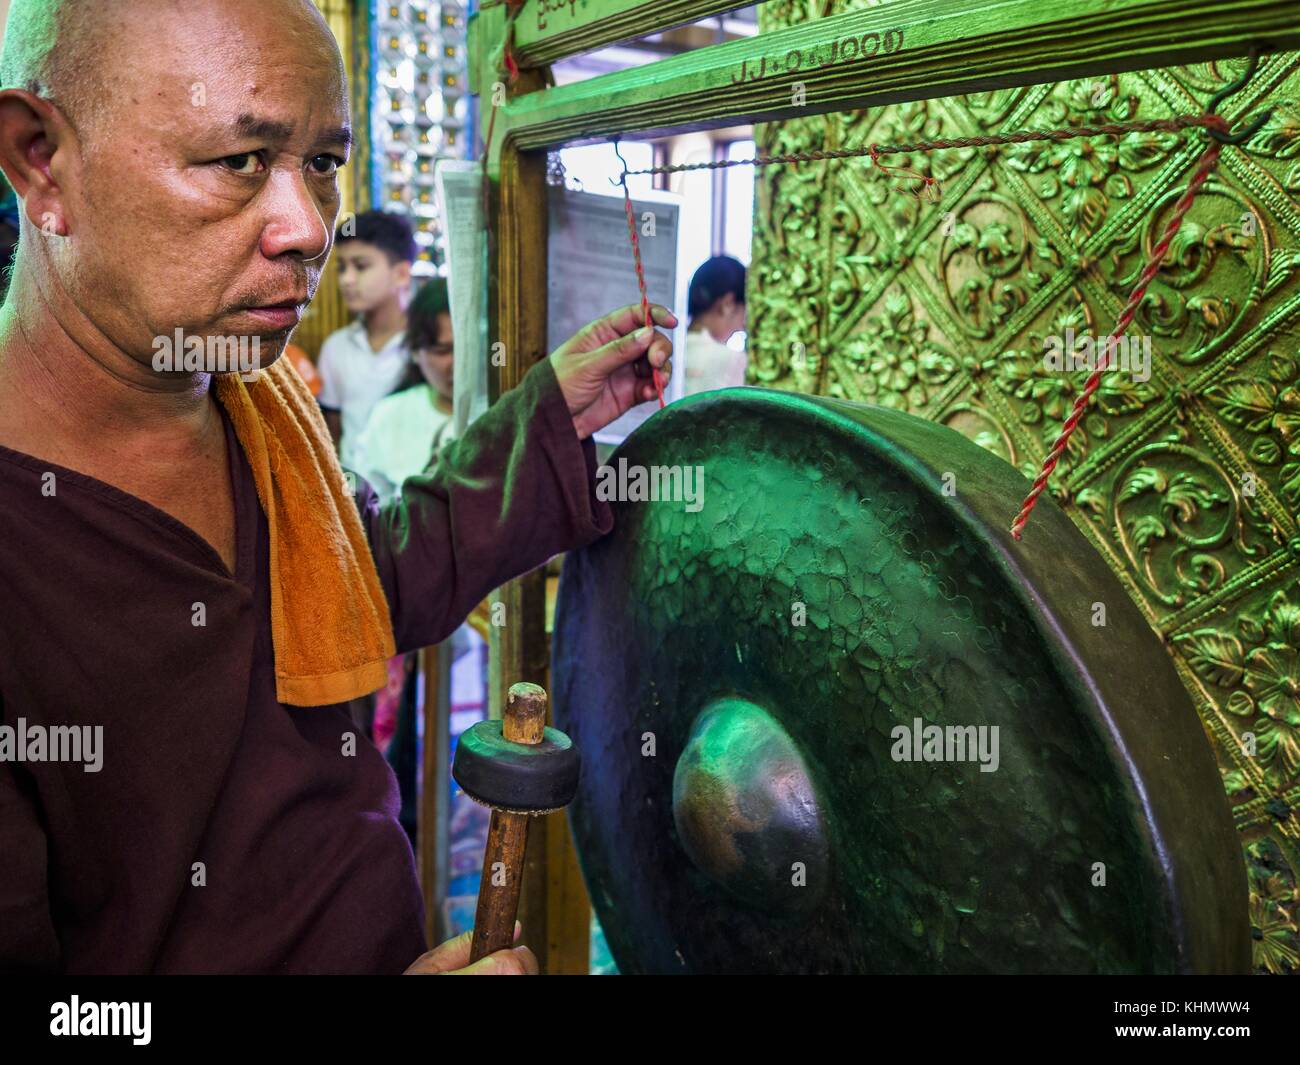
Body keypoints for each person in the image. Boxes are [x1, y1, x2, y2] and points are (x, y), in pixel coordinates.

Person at [0, 0, 674, 975]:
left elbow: (357, 582)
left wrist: (548, 420)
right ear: (39, 159)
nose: (309, 228)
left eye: (321, 163)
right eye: (240, 162)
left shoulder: (250, 394)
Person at [317, 209, 417, 470]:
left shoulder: (427, 346)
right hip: (354, 498)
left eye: (361, 266)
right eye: (342, 267)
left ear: (401, 274)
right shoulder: (336, 348)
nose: (347, 280)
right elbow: (333, 436)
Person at [355, 276, 455, 506]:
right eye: (442, 351)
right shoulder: (389, 415)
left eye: (468, 348)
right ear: (415, 351)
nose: (458, 363)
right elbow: (369, 507)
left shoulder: (501, 411)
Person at [683, 255, 747, 395]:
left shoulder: (666, 351)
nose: (743, 326)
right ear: (728, 304)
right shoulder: (734, 361)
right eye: (744, 313)